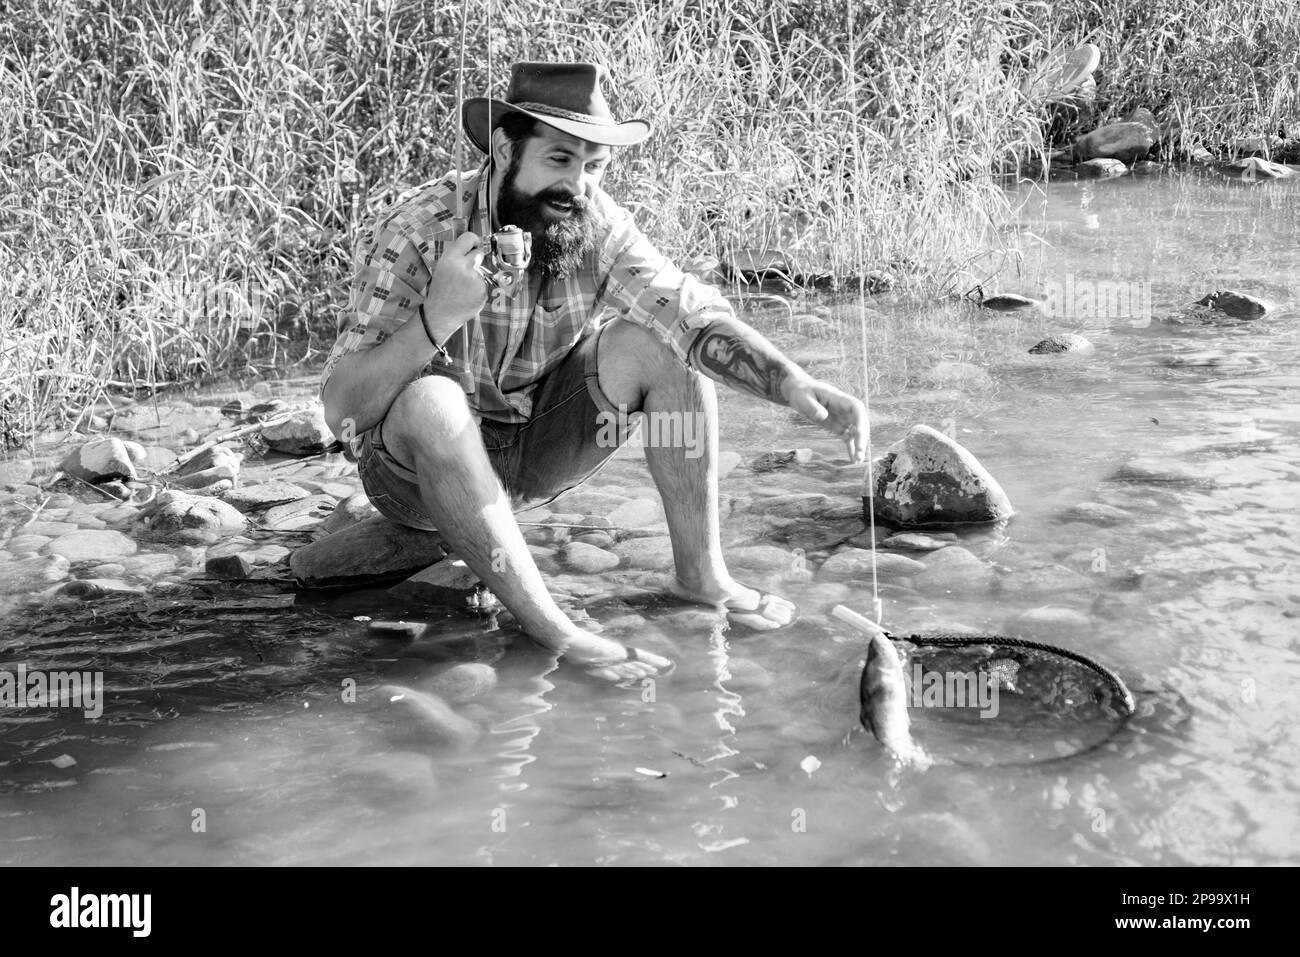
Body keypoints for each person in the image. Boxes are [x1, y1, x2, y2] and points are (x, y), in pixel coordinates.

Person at [321, 62, 868, 681]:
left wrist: (791, 382)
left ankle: (701, 576)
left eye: (594, 166)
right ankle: (553, 629)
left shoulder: (595, 222)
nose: (577, 185)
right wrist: (435, 318)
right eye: (559, 160)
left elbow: (688, 312)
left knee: (661, 345)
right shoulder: (416, 231)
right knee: (433, 402)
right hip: (413, 478)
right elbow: (342, 413)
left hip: (534, 452)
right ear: (504, 149)